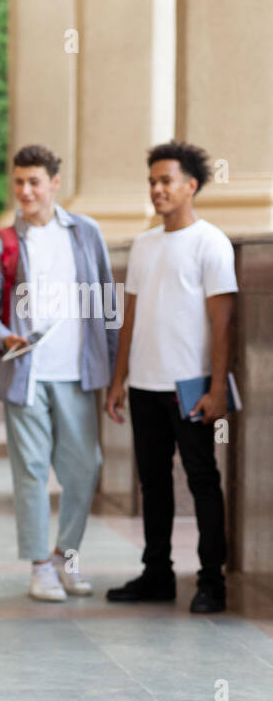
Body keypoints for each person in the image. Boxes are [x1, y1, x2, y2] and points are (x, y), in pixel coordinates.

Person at [0, 145, 119, 601]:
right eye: (18, 182)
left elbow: (107, 302)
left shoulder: (85, 234)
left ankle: (65, 555)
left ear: (55, 183)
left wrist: (114, 373)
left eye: (34, 182)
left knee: (85, 468)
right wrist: (4, 337)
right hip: (25, 376)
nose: (25, 191)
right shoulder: (1, 245)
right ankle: (39, 566)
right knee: (31, 471)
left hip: (77, 373)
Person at [105, 140, 237, 614]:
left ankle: (211, 581)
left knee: (203, 480)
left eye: (166, 181)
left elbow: (223, 322)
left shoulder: (212, 243)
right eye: (152, 181)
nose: (157, 189)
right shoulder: (143, 244)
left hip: (192, 386)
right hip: (144, 384)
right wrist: (118, 380)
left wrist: (216, 388)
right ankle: (157, 573)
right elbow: (130, 318)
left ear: (191, 186)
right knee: (154, 483)